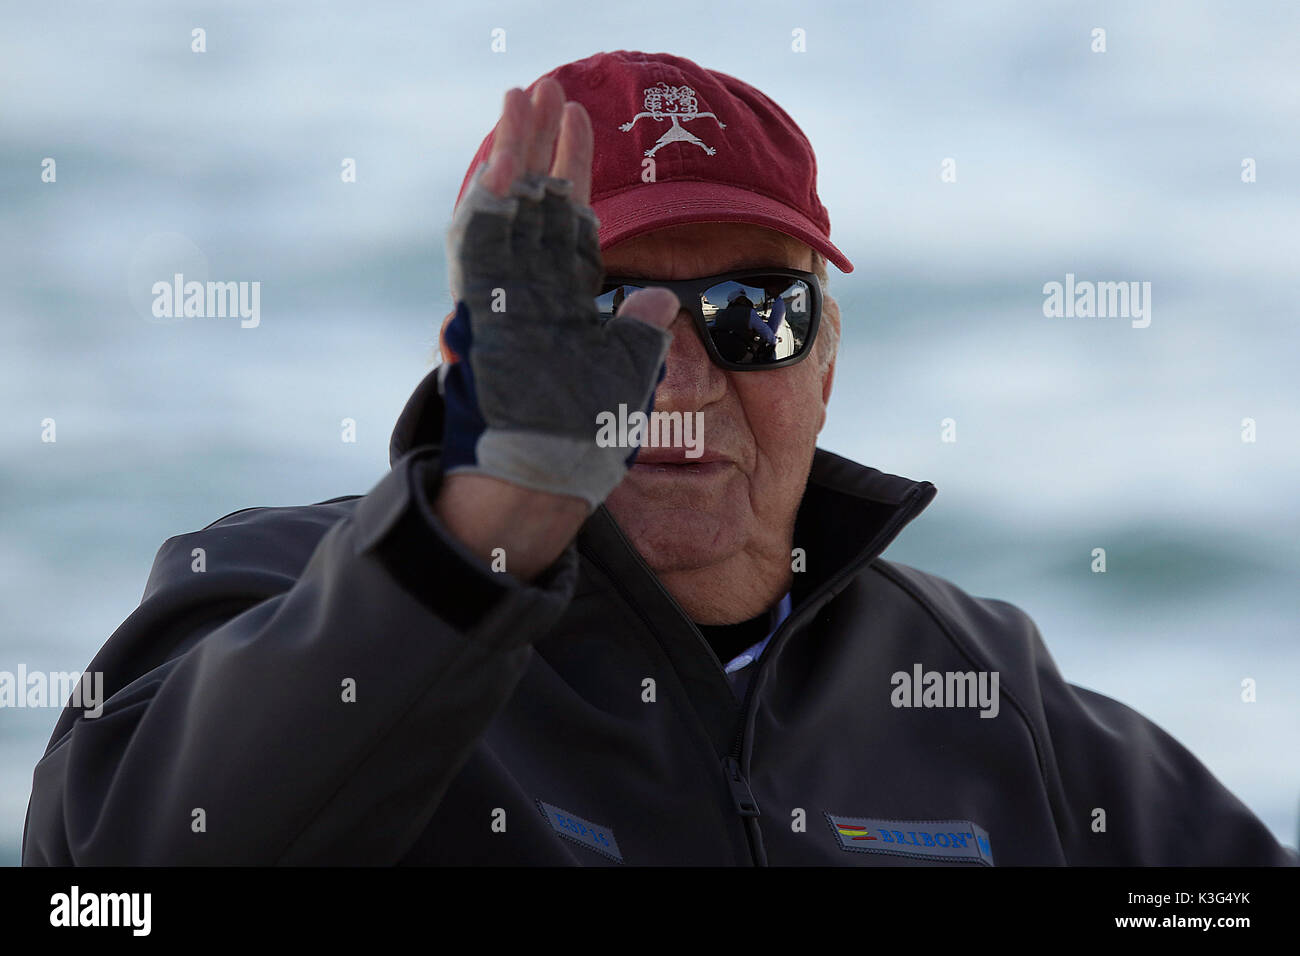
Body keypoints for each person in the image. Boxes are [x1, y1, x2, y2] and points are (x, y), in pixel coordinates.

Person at [22, 51, 1295, 866]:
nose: (677, 370)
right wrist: (491, 521)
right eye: (602, 308)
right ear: (477, 342)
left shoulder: (983, 685)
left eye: (755, 312)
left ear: (827, 363)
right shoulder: (276, 592)